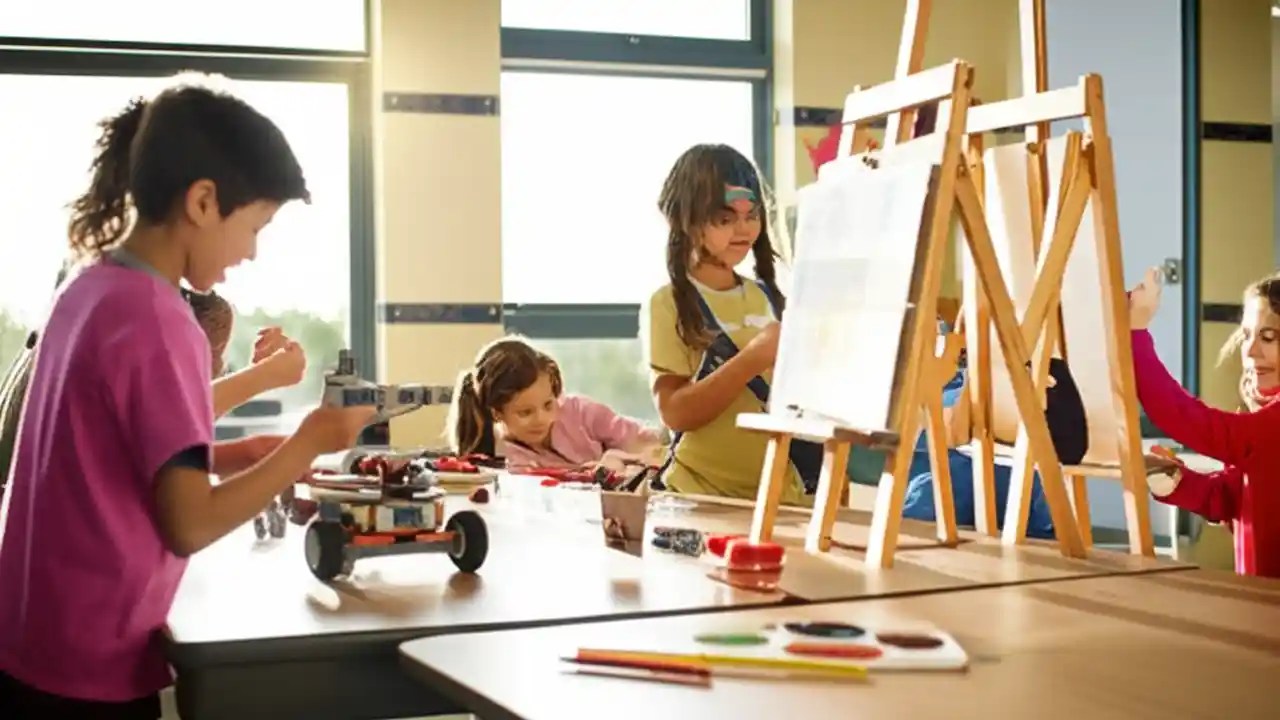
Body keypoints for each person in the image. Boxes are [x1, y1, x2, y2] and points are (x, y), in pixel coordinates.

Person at [0, 75, 374, 718]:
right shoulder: (160, 318)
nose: (252, 252)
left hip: (30, 640)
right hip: (89, 666)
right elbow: (189, 521)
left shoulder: (88, 289)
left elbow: (105, 459)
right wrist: (313, 440)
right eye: (256, 225)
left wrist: (238, 455)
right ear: (203, 201)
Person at [641, 143, 810, 504]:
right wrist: (754, 357)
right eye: (724, 218)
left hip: (780, 498)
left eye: (752, 215)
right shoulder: (668, 304)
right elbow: (676, 412)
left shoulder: (770, 298)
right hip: (700, 498)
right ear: (685, 220)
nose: (743, 228)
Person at [1129, 267, 1280, 578]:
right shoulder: (1260, 419)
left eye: (1269, 337)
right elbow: (1228, 500)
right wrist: (1176, 481)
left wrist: (1136, 333)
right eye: (1246, 335)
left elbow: (1184, 417)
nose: (1250, 352)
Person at [447, 336, 661, 469]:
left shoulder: (582, 413)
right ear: (497, 413)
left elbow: (650, 447)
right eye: (525, 412)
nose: (542, 419)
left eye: (548, 405)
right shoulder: (499, 457)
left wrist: (621, 460)